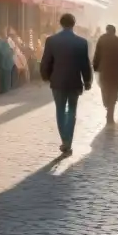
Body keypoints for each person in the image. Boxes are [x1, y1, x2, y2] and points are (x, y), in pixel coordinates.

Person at [40, 13, 92, 155]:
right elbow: (85, 64)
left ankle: (65, 139)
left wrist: (46, 76)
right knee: (72, 111)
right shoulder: (81, 42)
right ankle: (68, 141)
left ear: (61, 23)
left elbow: (46, 61)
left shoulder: (51, 41)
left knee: (60, 110)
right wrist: (87, 80)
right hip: (74, 81)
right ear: (73, 24)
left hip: (57, 82)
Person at [92, 24, 118, 121]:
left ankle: (107, 104)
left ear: (106, 30)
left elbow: (97, 54)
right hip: (116, 72)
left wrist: (95, 67)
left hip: (104, 70)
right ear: (114, 31)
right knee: (114, 91)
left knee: (104, 89)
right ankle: (110, 111)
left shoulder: (101, 39)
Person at [0, 29, 15, 95]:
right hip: (6, 67)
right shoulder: (4, 43)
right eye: (6, 32)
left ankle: (2, 93)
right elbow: (6, 53)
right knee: (6, 86)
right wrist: (12, 51)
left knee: (2, 86)